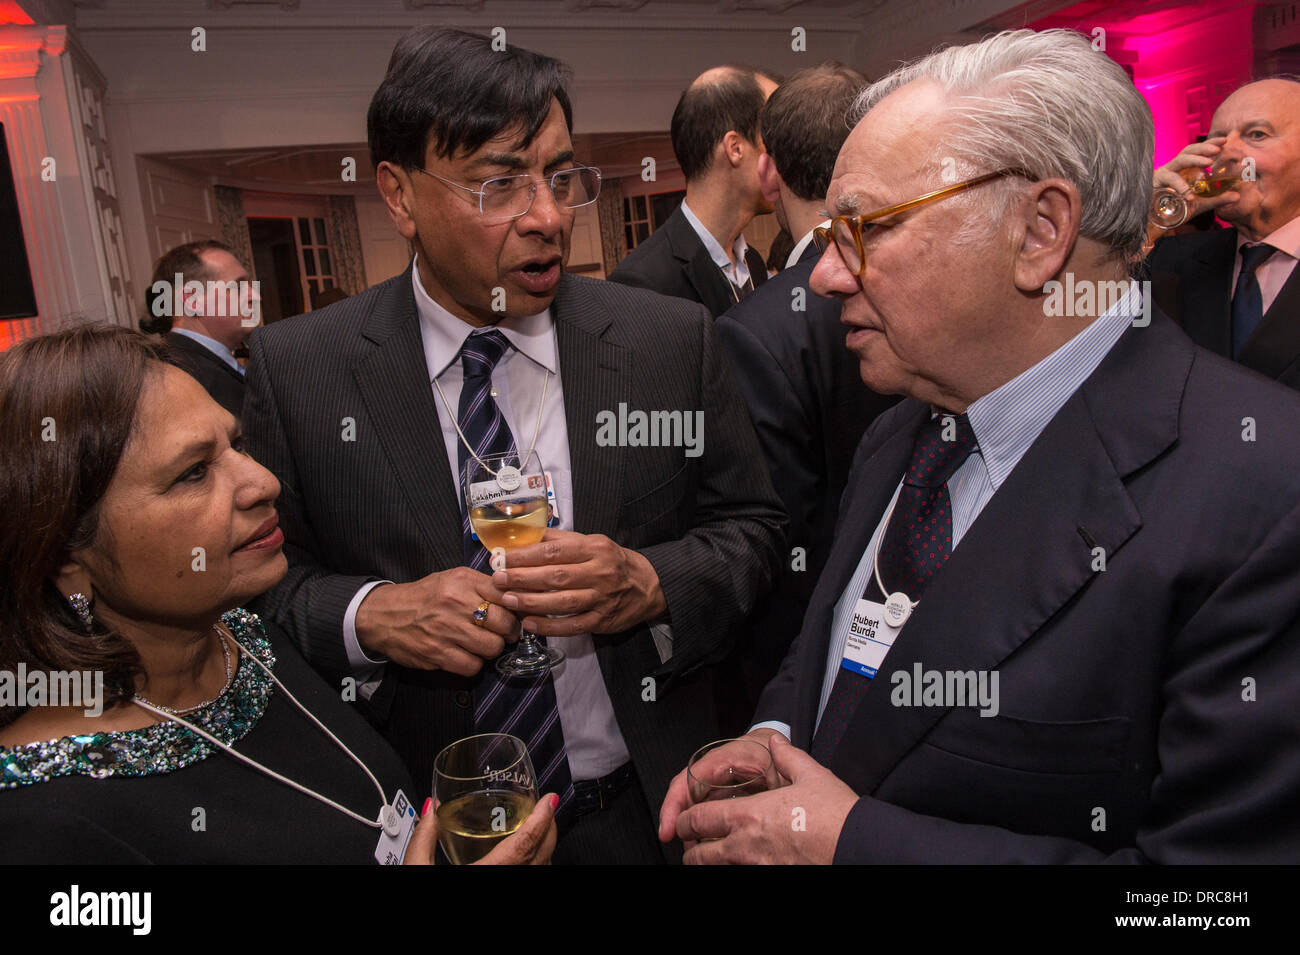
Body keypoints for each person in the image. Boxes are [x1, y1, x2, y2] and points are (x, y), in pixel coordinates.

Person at [659, 28, 1300, 864]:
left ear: (1039, 232)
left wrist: (851, 844)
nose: (823, 275)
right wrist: (778, 734)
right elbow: (850, 645)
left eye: (865, 228)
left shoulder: (1266, 496)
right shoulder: (901, 427)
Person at [242, 28, 785, 865]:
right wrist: (369, 616)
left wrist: (649, 582)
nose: (547, 217)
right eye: (500, 184)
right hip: (440, 838)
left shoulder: (667, 341)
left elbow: (756, 529)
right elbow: (259, 599)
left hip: (646, 816)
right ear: (399, 196)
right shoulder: (301, 370)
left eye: (560, 178)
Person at [0, 325, 556, 864]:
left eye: (236, 444)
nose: (263, 483)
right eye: (193, 473)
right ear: (62, 552)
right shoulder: (40, 825)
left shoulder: (251, 642)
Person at [715, 63, 899, 728]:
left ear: (769, 172)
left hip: (805, 675)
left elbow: (768, 540)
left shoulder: (754, 331)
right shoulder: (919, 287)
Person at [1146, 78, 1300, 389]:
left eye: (1257, 134)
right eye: (1216, 140)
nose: (1225, 153)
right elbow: (1073, 309)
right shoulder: (1170, 260)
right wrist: (1144, 220)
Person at [608, 65, 778, 315]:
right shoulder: (641, 286)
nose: (785, 155)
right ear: (735, 148)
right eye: (773, 139)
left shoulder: (752, 263)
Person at [140, 239, 259, 419]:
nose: (255, 296)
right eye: (237, 286)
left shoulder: (201, 361)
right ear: (192, 300)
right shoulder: (179, 377)